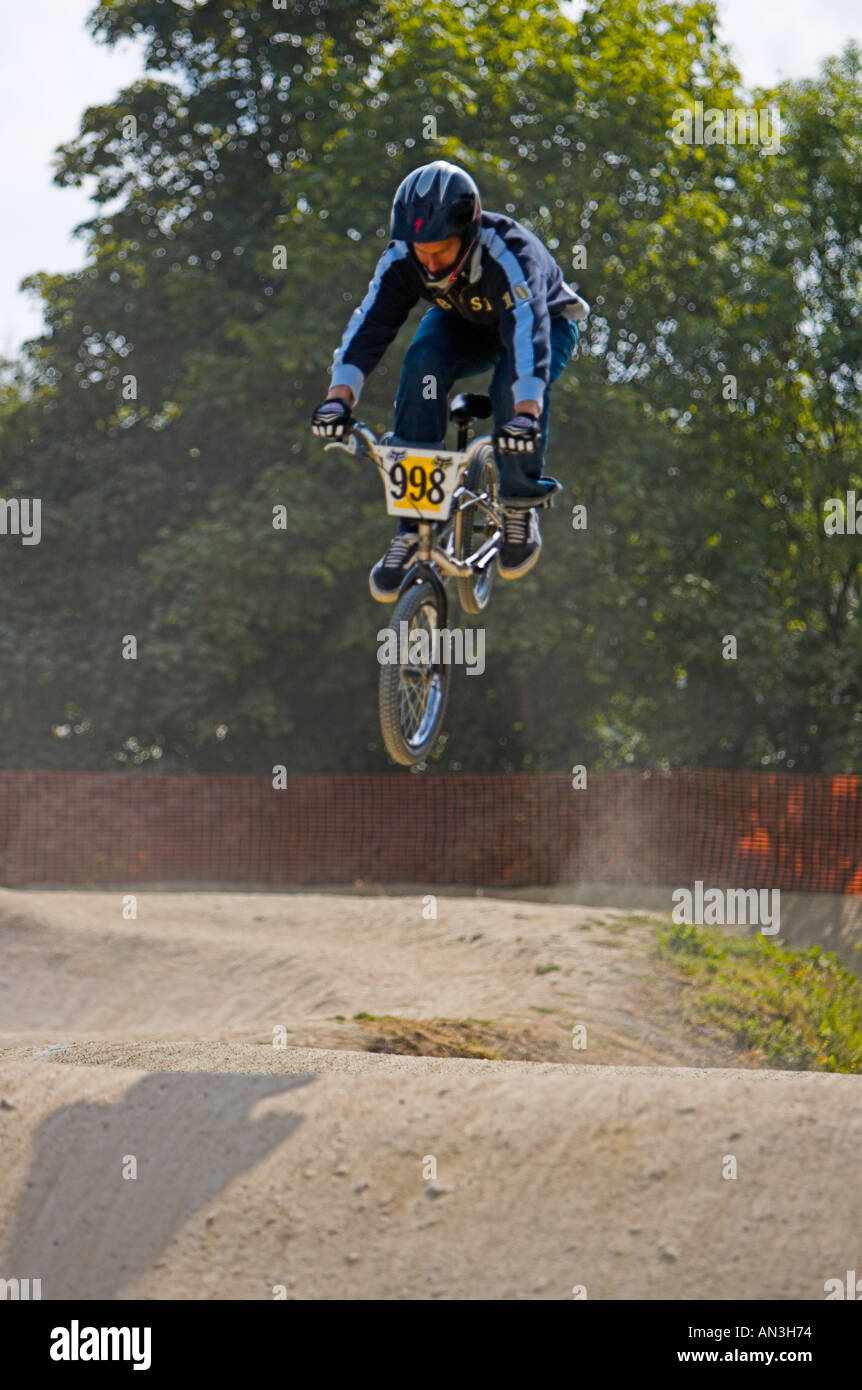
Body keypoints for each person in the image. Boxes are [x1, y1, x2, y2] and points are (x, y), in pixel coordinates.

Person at [311, 160, 589, 600]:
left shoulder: (511, 253)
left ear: (470, 231)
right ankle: (415, 525)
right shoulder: (404, 256)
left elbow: (526, 335)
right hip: (464, 321)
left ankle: (519, 502)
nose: (430, 262)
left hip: (543, 324)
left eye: (441, 250)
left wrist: (525, 415)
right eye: (421, 250)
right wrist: (337, 402)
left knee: (508, 391)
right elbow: (369, 325)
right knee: (422, 359)